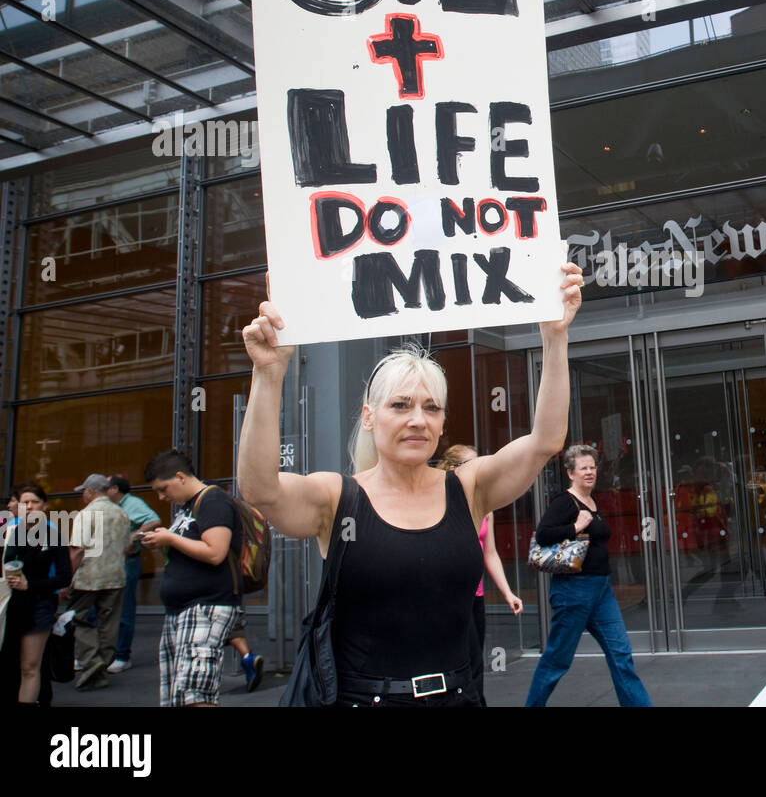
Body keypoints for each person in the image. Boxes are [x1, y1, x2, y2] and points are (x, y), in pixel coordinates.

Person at [236, 265, 584, 707]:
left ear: (442, 423)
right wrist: (268, 374)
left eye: (431, 408)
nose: (417, 419)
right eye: (400, 405)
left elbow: (546, 441)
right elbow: (259, 488)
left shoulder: (468, 488)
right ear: (368, 417)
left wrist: (555, 338)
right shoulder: (336, 499)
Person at [525, 444, 652, 707]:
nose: (589, 472)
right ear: (571, 473)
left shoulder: (593, 502)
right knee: (557, 659)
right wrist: (574, 527)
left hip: (601, 589)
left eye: (592, 467)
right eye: (583, 468)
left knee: (621, 653)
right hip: (573, 590)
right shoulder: (564, 502)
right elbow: (544, 534)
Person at [139, 451, 243, 708]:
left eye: (163, 489)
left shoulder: (213, 500)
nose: (162, 497)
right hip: (185, 610)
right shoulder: (190, 506)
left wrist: (170, 538)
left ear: (180, 477)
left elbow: (215, 552)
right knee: (180, 695)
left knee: (196, 695)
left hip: (205, 606)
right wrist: (166, 539)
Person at [435, 444, 524, 706]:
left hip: (476, 596)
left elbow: (491, 553)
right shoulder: (439, 504)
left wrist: (508, 592)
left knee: (475, 662)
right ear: (453, 469)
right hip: (449, 598)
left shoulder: (485, 505)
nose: (481, 470)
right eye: (473, 464)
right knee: (465, 660)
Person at [1, 484, 71, 707]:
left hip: (38, 605)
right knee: (8, 664)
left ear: (45, 506)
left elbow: (63, 578)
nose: (29, 507)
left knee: (30, 666)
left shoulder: (53, 536)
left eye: (34, 502)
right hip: (8, 604)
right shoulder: (8, 532)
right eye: (24, 503)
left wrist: (29, 585)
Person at [66, 475, 131, 690]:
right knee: (109, 624)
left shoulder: (86, 515)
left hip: (88, 577)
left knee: (81, 620)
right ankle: (102, 665)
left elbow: (77, 550)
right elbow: (127, 547)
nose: (83, 495)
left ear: (91, 492)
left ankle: (92, 663)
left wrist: (67, 579)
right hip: (116, 576)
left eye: (84, 491)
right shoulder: (122, 514)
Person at [105, 475, 160, 674]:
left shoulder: (132, 503)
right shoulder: (112, 505)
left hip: (127, 561)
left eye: (106, 486)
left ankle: (122, 655)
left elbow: (154, 520)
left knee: (124, 608)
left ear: (115, 489)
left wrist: (133, 536)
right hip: (112, 561)